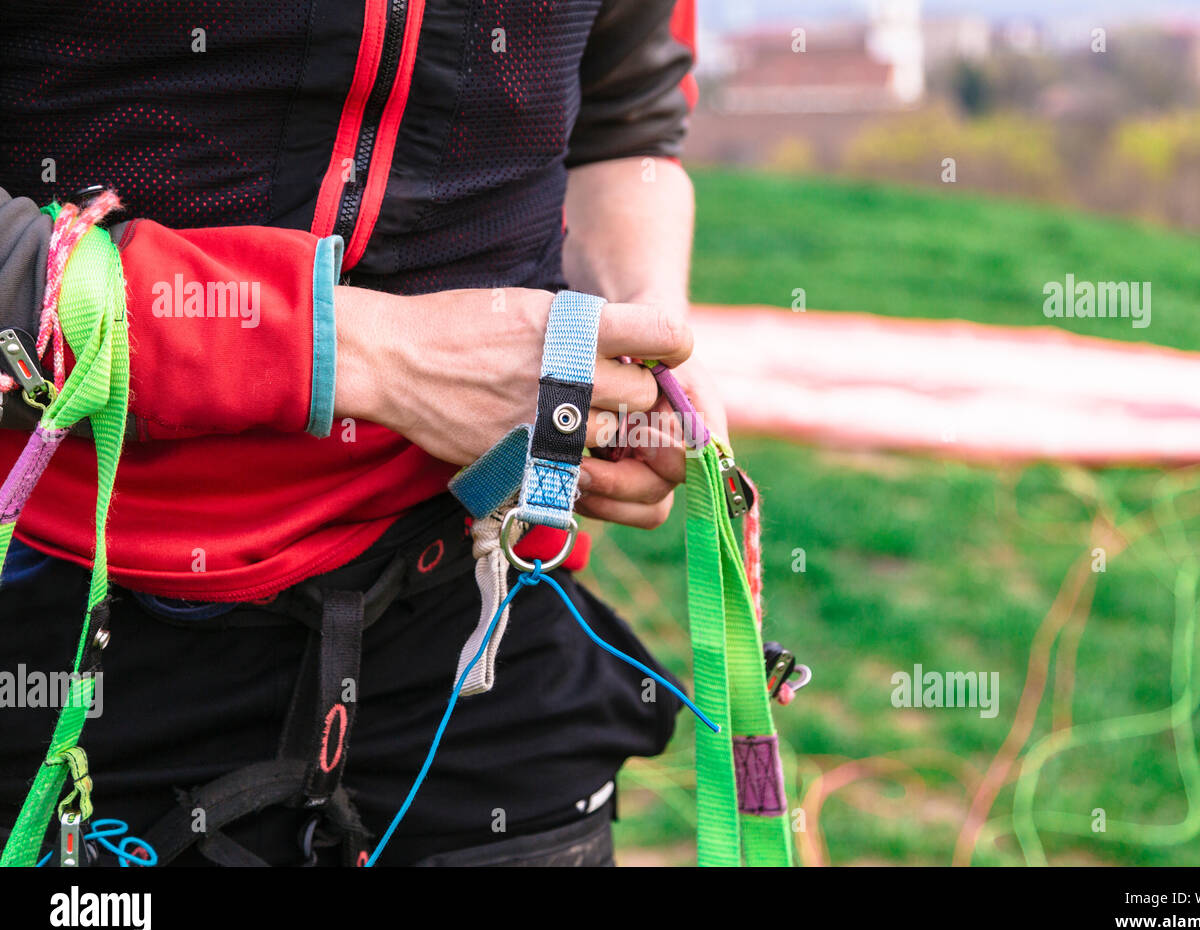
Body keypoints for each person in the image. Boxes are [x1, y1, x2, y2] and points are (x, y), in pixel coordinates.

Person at [0, 0, 722, 866]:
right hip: (63, 603)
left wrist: (649, 338)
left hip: (481, 615)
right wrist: (368, 355)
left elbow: (623, 122)